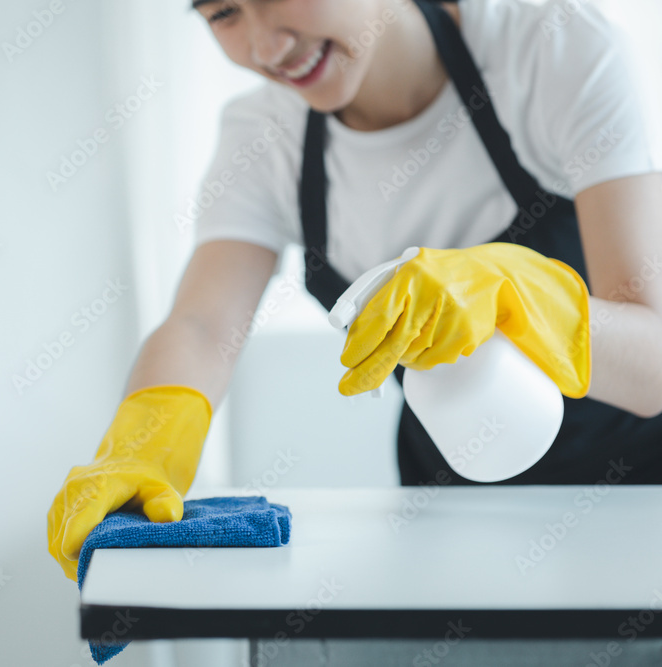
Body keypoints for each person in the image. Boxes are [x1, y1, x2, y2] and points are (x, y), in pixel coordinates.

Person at [48, 0, 662, 586]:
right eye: (223, 13)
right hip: (457, 517)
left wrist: (518, 293)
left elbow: (653, 363)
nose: (267, 47)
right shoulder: (265, 139)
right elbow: (202, 326)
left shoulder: (550, 51)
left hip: (643, 502)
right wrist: (143, 444)